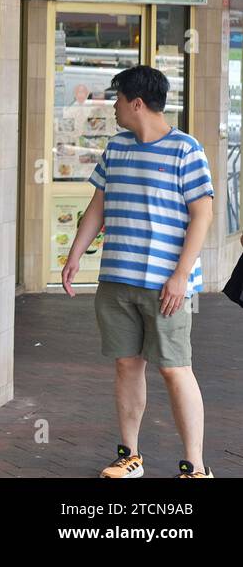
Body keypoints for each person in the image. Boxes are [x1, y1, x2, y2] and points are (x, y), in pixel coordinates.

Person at [62, 65, 214, 479]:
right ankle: (130, 455)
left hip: (167, 284)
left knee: (174, 367)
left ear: (137, 103)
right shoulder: (117, 148)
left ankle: (195, 467)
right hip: (117, 278)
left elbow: (203, 214)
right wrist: (76, 253)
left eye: (116, 98)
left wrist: (181, 275)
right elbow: (98, 206)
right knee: (126, 365)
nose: (112, 107)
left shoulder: (186, 149)